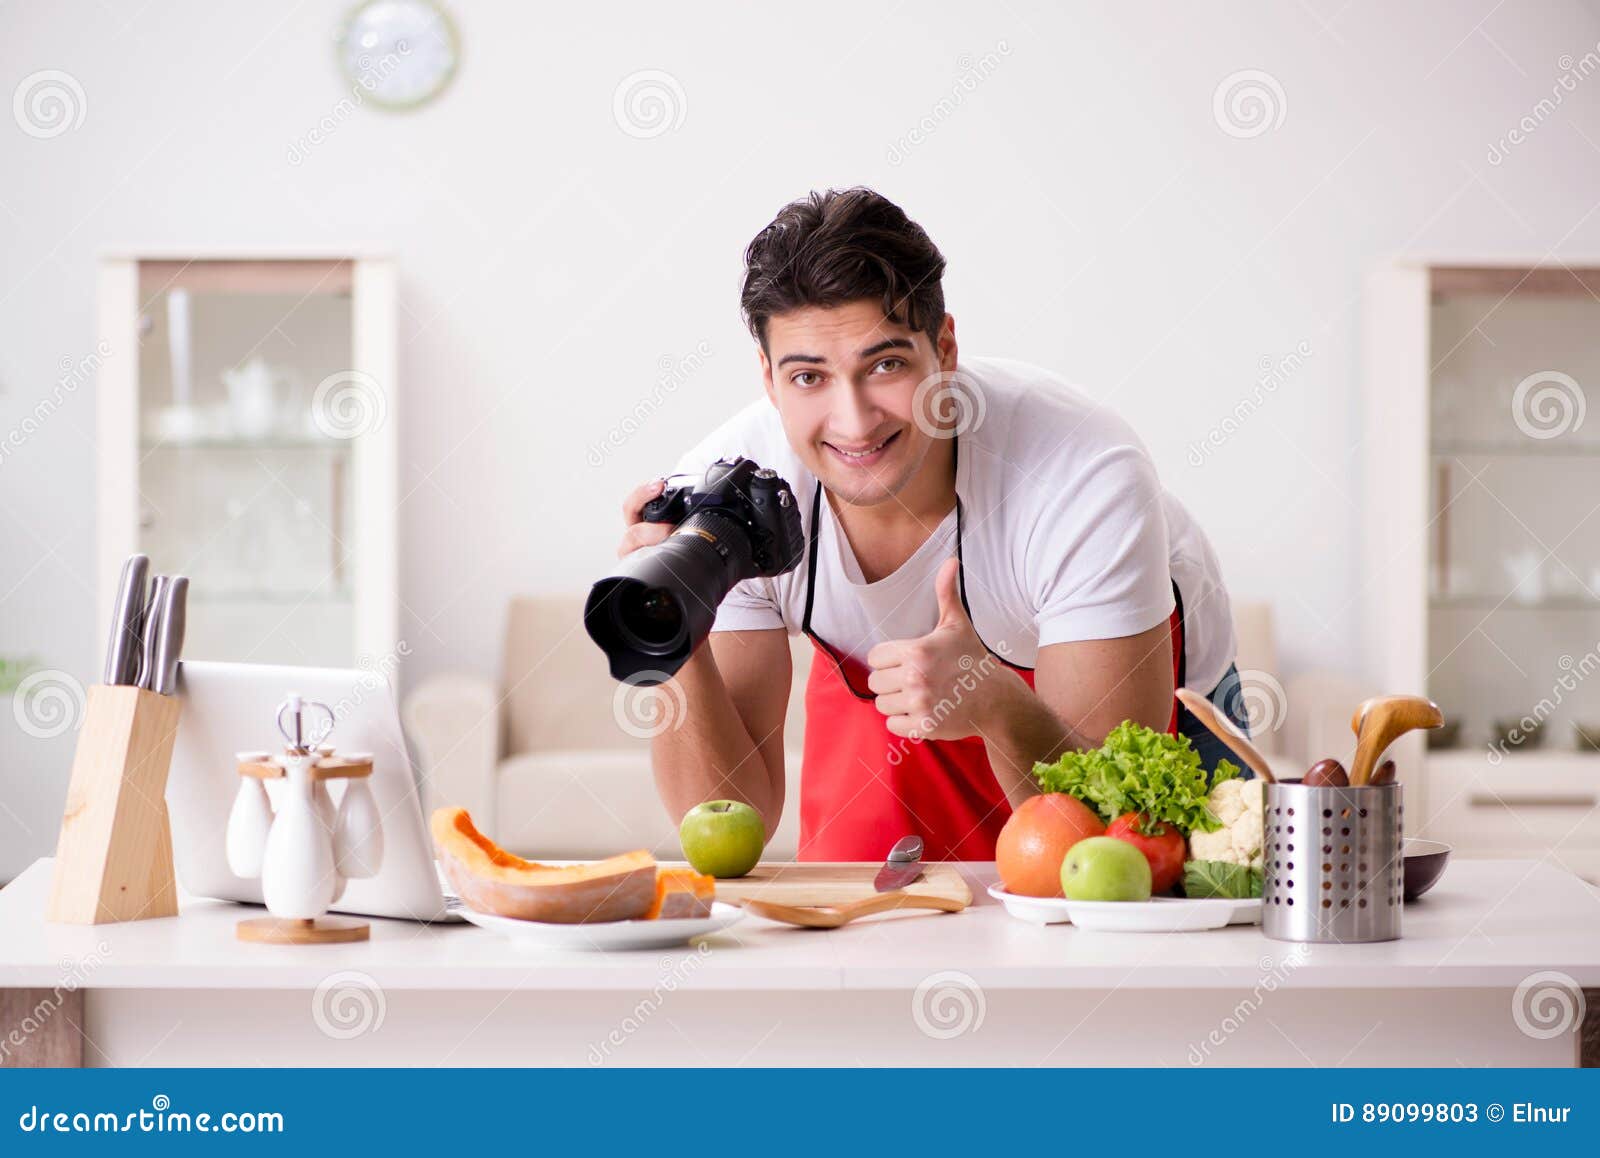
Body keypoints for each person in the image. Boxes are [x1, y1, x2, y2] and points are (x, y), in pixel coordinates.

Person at [616, 187, 1248, 862]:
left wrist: (997, 702)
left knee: (1128, 924)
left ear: (944, 350)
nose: (854, 421)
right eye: (808, 377)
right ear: (768, 381)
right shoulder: (735, 499)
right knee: (864, 941)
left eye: (885, 365)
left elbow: (1104, 833)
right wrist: (672, 634)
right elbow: (731, 821)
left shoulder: (1081, 475)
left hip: (1134, 712)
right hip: (903, 686)